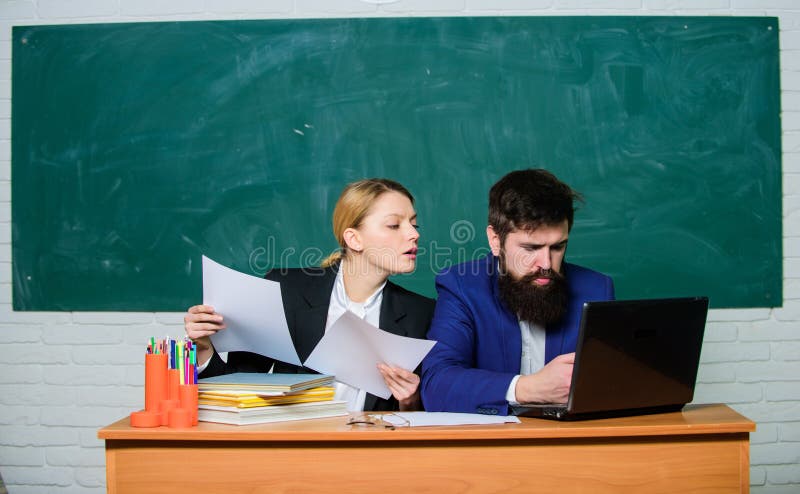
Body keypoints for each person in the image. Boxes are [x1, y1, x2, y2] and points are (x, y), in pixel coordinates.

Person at [185, 178, 435, 412]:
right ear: (354, 239)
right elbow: (235, 389)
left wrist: (411, 400)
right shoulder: (285, 290)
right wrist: (205, 350)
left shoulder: (422, 313)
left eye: (414, 224)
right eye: (394, 225)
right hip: (291, 448)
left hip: (368, 452)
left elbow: (420, 417)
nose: (414, 234)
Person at [421, 168, 614, 415]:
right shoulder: (461, 286)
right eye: (530, 248)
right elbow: (436, 385)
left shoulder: (597, 289)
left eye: (558, 247)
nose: (546, 264)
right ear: (495, 240)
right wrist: (527, 388)